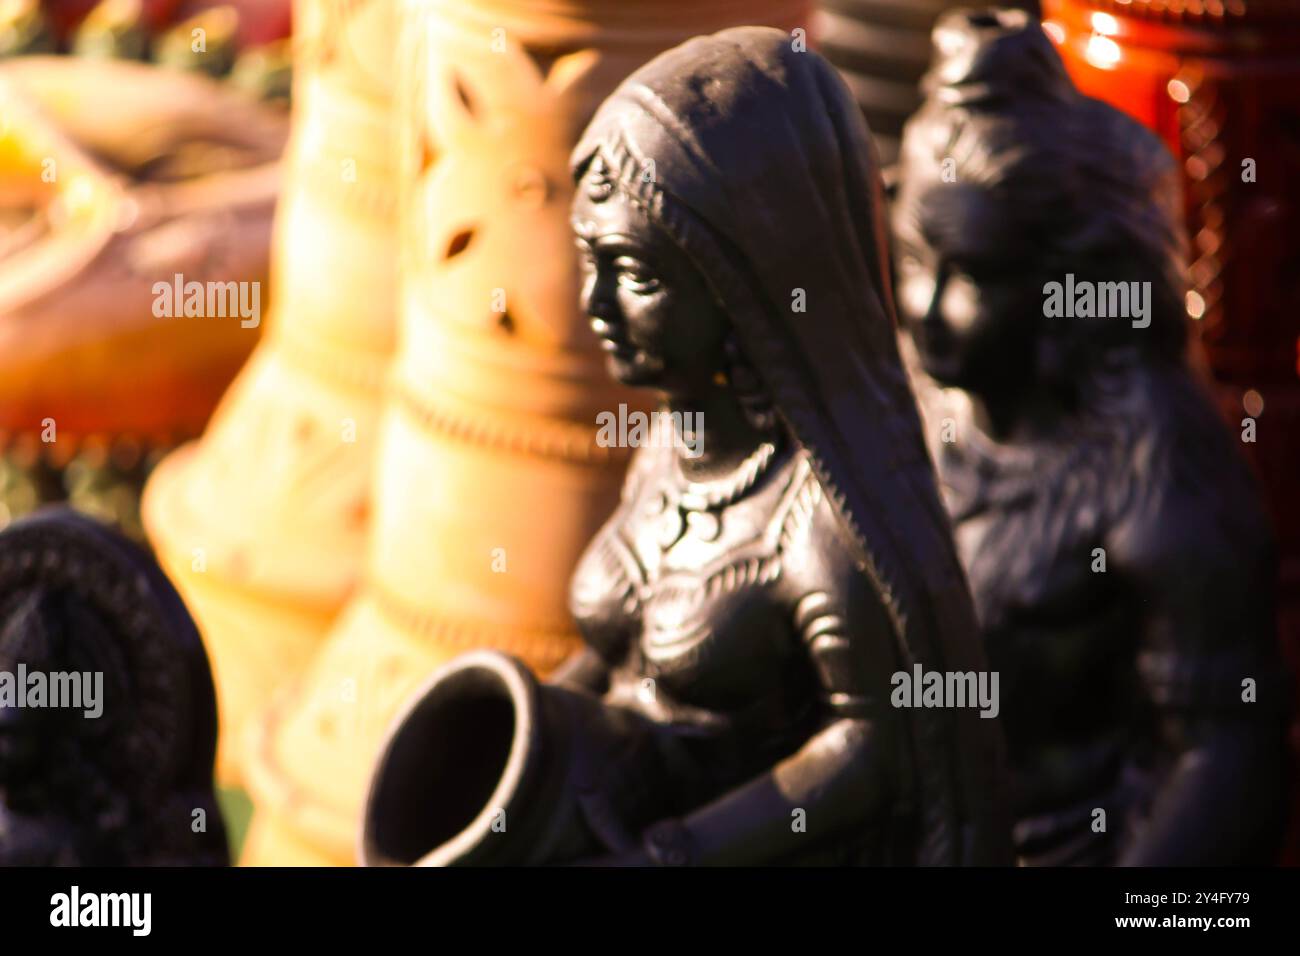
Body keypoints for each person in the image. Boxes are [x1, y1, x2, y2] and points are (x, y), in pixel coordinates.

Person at [892, 9, 1289, 865]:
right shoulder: (909, 400)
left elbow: (1225, 755)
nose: (926, 311)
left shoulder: (1157, 463)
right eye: (917, 262)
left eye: (976, 275)